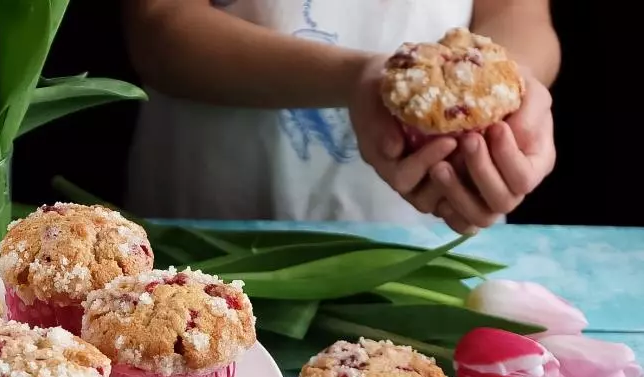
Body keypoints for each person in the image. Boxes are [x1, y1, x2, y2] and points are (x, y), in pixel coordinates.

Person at [120, 0, 559, 233]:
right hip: (218, 212)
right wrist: (358, 81)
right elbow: (159, 22)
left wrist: (510, 82)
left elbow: (516, 11)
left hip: (426, 227)